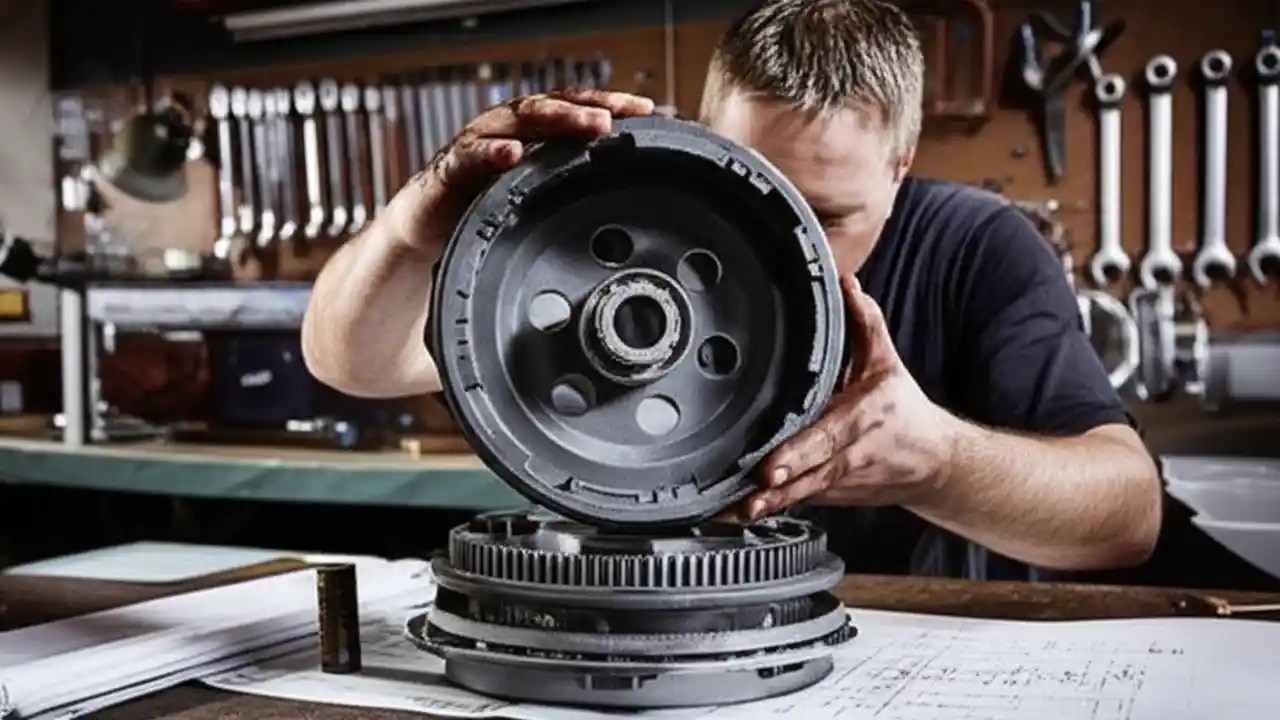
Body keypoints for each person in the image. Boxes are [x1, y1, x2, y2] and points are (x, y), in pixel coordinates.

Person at [301, 0, 1161, 580]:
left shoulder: (973, 246)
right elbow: (353, 362)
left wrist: (935, 460)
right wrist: (418, 222)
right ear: (705, 140)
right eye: (748, 190)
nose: (783, 244)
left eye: (821, 216)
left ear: (901, 168)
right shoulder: (590, 235)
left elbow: (1126, 515)